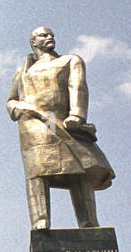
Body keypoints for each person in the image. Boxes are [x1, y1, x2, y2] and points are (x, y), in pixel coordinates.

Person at [6, 26, 115, 230]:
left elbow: (77, 86)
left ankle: (89, 223)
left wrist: (77, 114)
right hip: (33, 125)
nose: (50, 37)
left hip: (62, 122)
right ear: (33, 42)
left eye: (52, 34)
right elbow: (11, 99)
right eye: (44, 35)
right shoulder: (22, 71)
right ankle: (40, 221)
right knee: (37, 173)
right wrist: (16, 108)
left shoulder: (70, 60)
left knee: (78, 169)